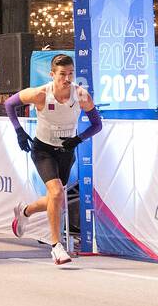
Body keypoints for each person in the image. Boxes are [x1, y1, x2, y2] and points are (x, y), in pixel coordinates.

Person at [7, 54, 103, 265]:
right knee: (57, 192)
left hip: (65, 151)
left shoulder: (81, 95)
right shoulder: (41, 93)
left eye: (70, 74)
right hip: (43, 150)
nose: (67, 79)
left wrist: (78, 138)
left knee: (56, 198)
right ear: (52, 75)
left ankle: (25, 211)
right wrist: (19, 132)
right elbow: (9, 104)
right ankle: (56, 246)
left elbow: (97, 125)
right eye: (62, 74)